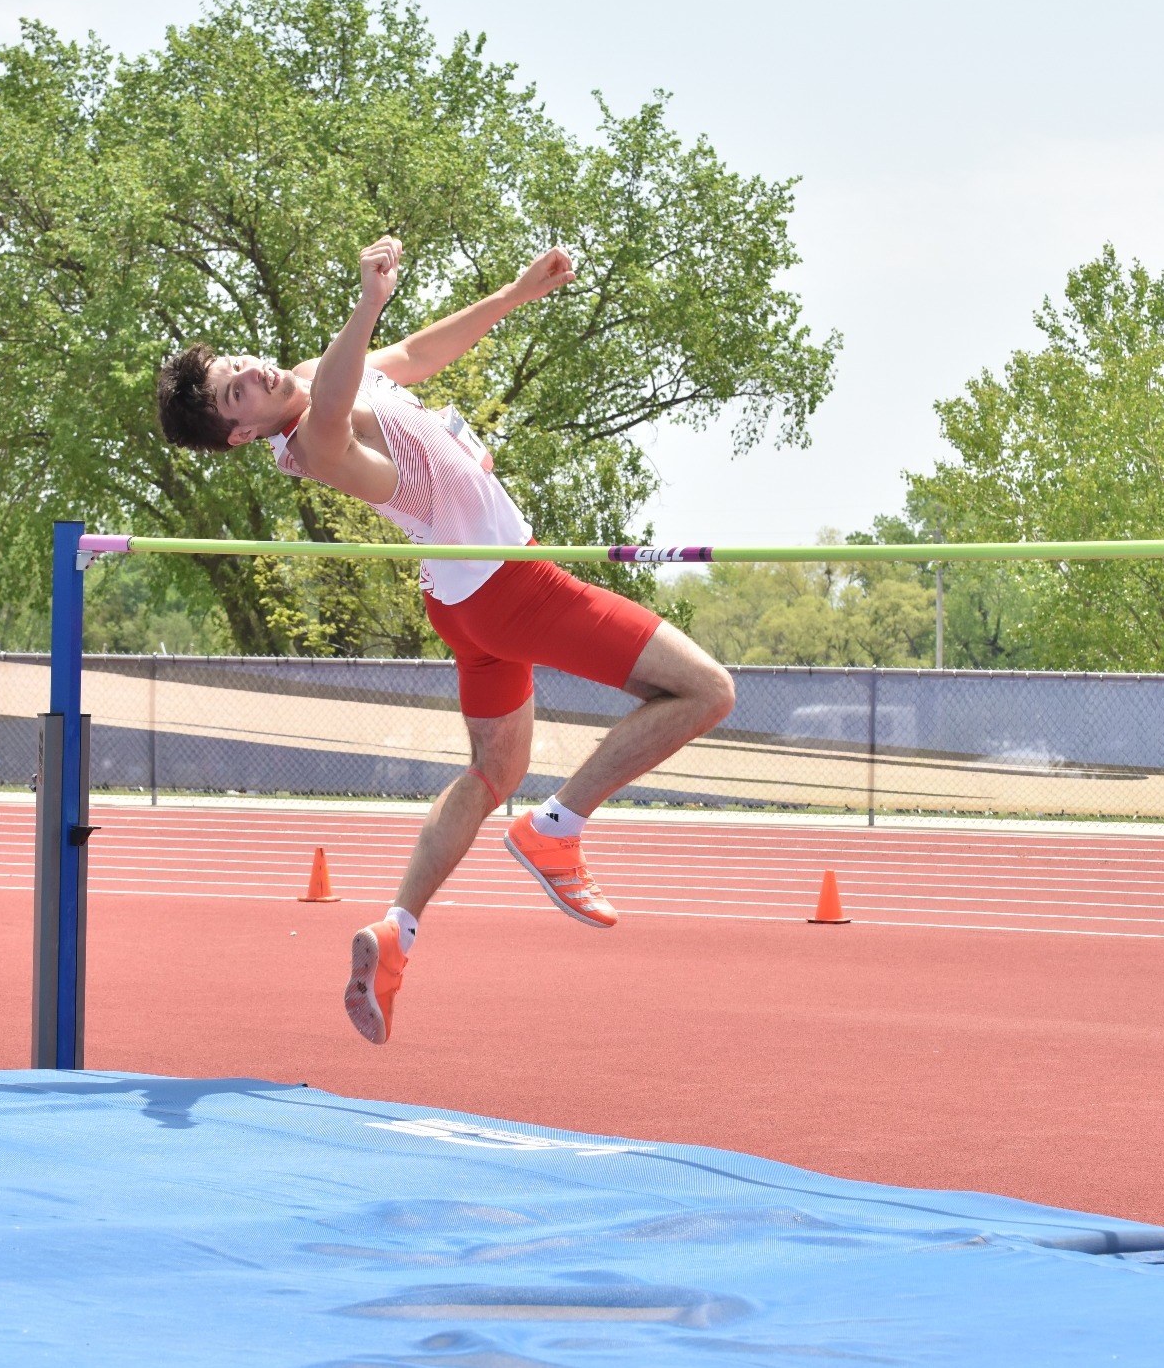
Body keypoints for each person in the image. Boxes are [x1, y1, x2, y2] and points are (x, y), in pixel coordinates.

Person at [154, 237, 736, 1044]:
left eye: (241, 367)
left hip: (461, 600)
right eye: (234, 397)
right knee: (708, 690)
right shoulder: (311, 441)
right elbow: (335, 400)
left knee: (493, 770)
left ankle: (396, 934)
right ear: (243, 436)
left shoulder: (326, 372)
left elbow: (418, 354)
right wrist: (366, 300)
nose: (252, 375)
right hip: (508, 587)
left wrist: (512, 295)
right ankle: (556, 829)